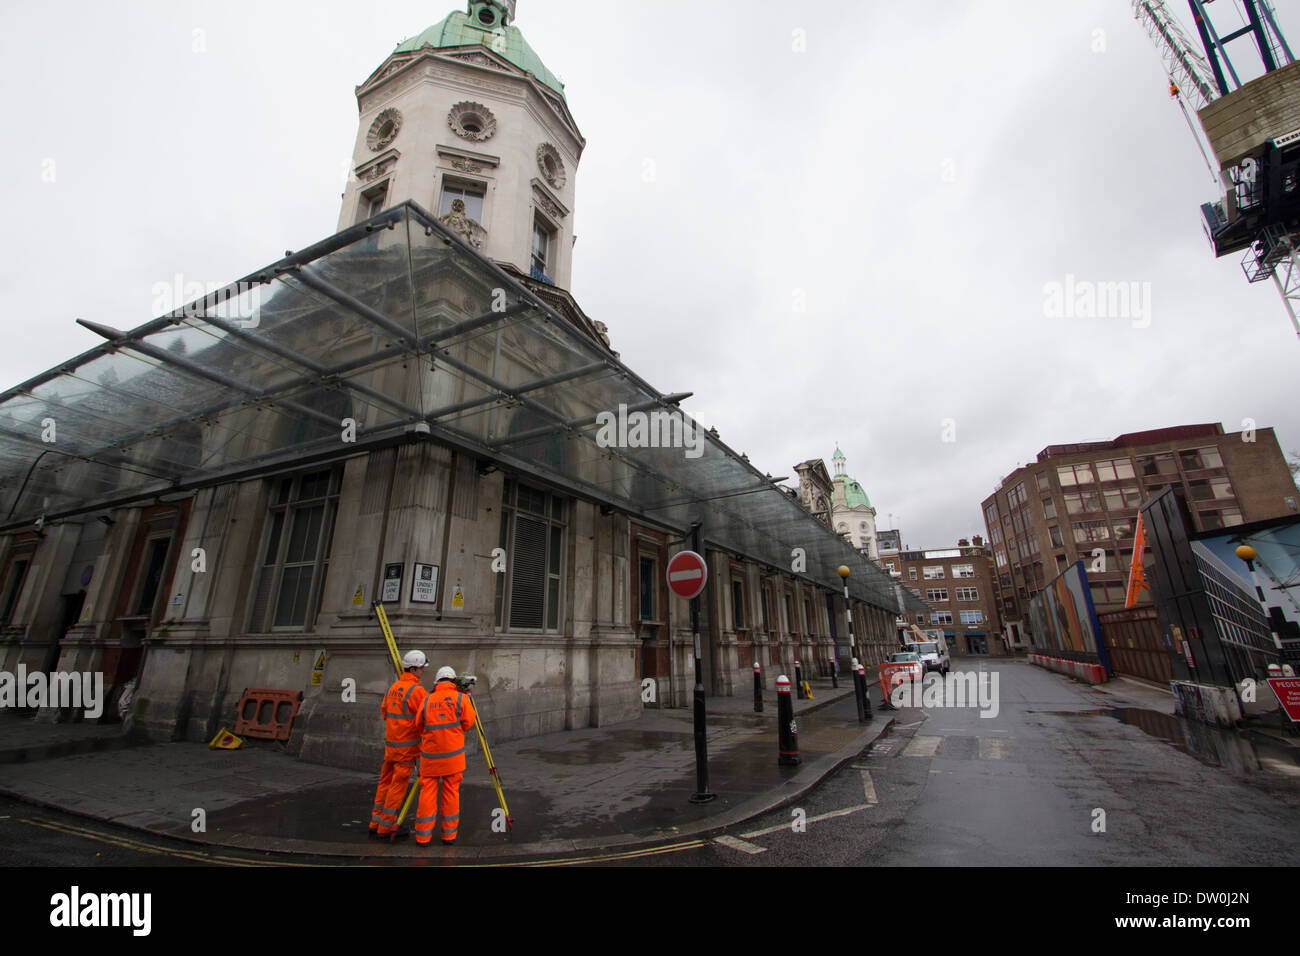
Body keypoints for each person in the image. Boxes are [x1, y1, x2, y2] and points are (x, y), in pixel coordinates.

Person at [414, 665, 477, 846]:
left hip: (430, 757)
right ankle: (448, 836)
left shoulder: (427, 700)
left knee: (427, 794)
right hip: (453, 757)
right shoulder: (460, 699)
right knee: (451, 794)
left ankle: (422, 837)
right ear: (454, 682)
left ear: (437, 682)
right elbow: (468, 723)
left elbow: (419, 725)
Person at [369, 650, 429, 839]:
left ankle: (375, 821)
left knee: (384, 782)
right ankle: (385, 827)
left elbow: (385, 711)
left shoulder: (393, 687)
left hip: (391, 746)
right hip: (407, 748)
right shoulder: (417, 691)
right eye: (421, 669)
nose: (423, 672)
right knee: (397, 787)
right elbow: (427, 717)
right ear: (413, 668)